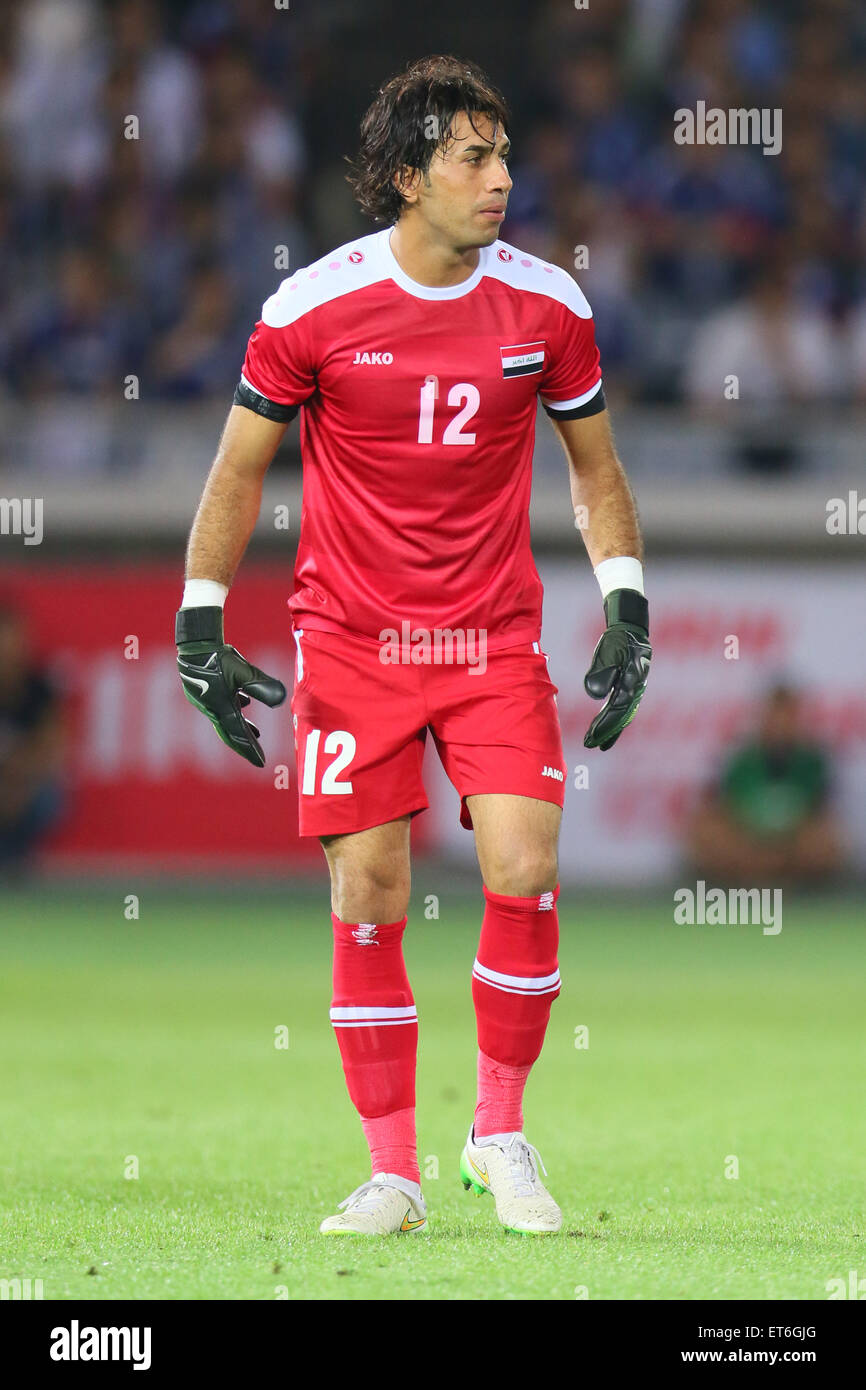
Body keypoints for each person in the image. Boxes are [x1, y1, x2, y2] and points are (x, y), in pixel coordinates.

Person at [174, 56, 651, 1237]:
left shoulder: (549, 306)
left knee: (523, 867)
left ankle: (497, 1134)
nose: (500, 179)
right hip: (351, 643)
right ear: (403, 176)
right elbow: (240, 467)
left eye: (502, 155)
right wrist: (198, 617)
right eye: (471, 158)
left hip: (490, 637)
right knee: (371, 891)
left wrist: (626, 600)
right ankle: (393, 1171)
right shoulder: (310, 308)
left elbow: (595, 472)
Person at [686, 682, 843, 884]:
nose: (780, 723)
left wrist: (782, 845)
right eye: (775, 715)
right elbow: (722, 808)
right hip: (747, 841)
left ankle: (781, 880)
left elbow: (820, 814)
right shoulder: (742, 760)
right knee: (707, 833)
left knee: (823, 843)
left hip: (792, 844)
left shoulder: (812, 762)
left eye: (787, 716)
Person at [0, 604, 67, 876]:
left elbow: (53, 746)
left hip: (22, 784)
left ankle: (15, 860)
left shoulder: (38, 688)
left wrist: (17, 783)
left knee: (48, 797)